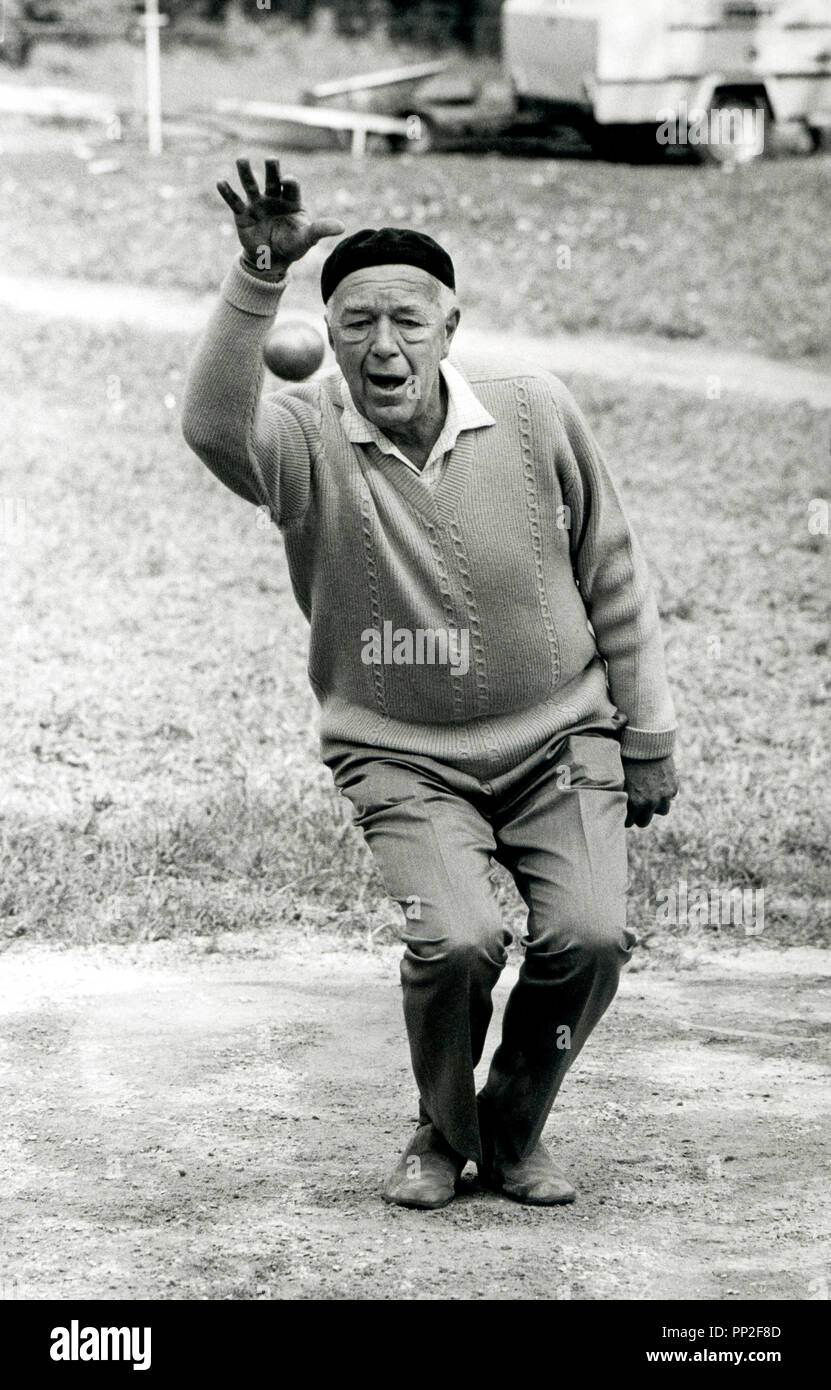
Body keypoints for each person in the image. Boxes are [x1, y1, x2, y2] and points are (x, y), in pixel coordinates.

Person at [182, 158, 679, 1210]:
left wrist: (649, 736)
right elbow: (214, 427)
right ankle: (440, 1129)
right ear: (329, 333)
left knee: (589, 937)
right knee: (456, 939)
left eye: (407, 318)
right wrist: (259, 275)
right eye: (355, 321)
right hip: (398, 755)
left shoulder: (536, 413)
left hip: (563, 741)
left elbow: (616, 569)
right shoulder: (307, 439)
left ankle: (512, 1121)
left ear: (451, 326)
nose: (382, 344)